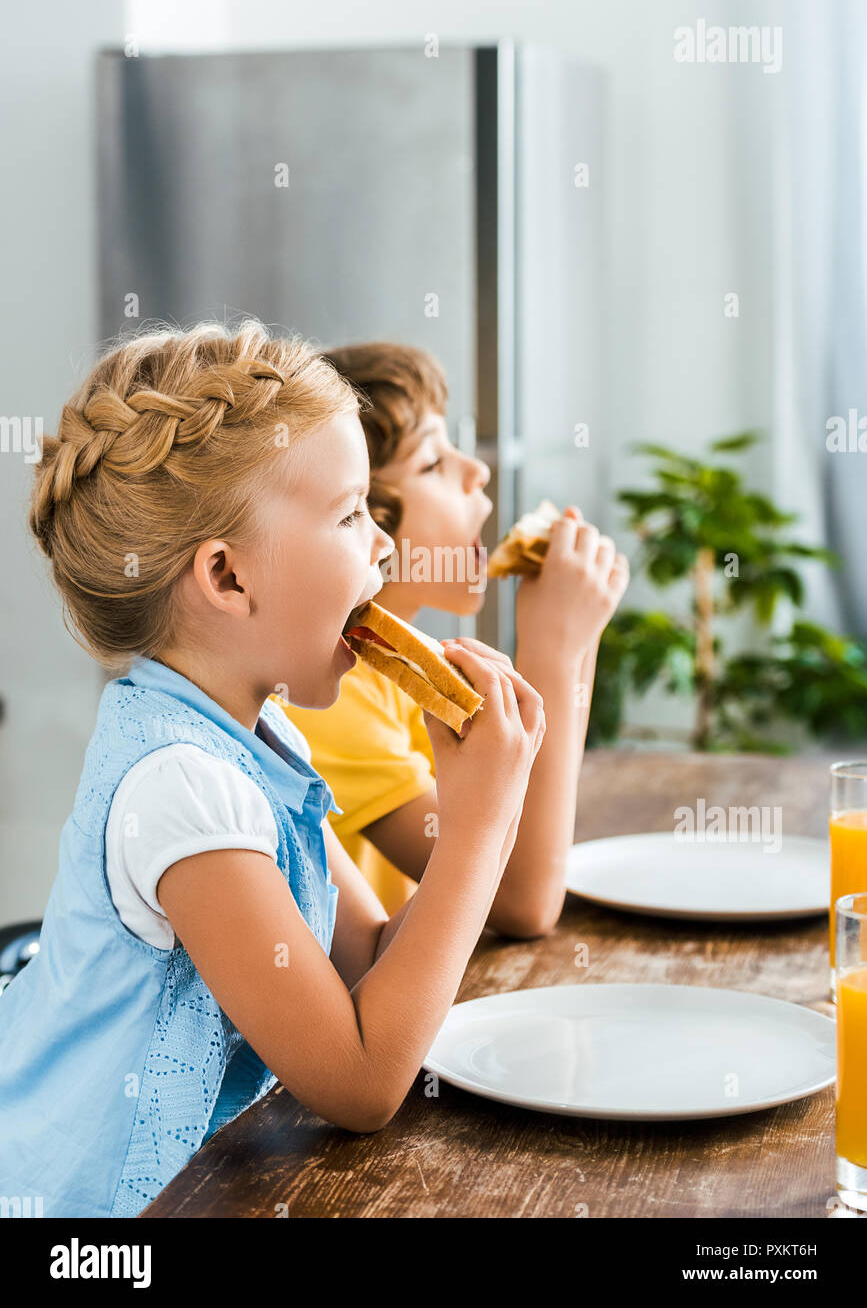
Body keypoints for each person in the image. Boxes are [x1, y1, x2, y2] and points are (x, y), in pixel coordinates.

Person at [0, 320, 545, 1217]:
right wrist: (480, 823)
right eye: (348, 515)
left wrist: (487, 807)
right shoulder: (182, 789)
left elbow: (366, 957)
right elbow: (362, 1082)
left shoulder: (256, 738)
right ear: (227, 576)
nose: (380, 546)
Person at [281, 343, 629, 928]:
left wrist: (575, 640)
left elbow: (532, 846)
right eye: (432, 463)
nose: (479, 471)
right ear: (360, 512)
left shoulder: (401, 671)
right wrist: (552, 650)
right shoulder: (331, 701)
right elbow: (524, 899)